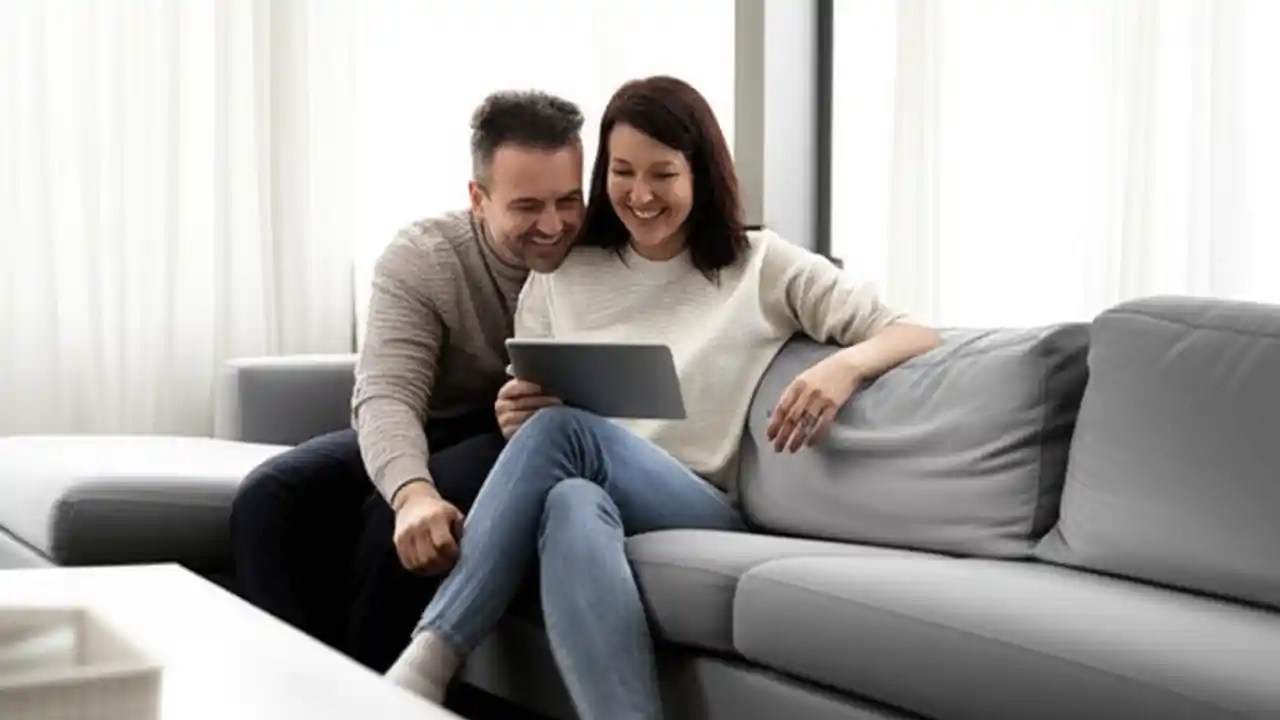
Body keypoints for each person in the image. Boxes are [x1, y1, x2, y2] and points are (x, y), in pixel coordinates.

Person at [384, 75, 942, 718]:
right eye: (622, 172)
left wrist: (843, 369)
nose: (640, 195)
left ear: (698, 172)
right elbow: (536, 420)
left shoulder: (759, 264)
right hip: (589, 484)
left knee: (567, 435)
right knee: (569, 499)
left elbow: (913, 331)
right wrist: (517, 416)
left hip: (696, 499)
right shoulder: (565, 273)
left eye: (663, 174)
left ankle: (432, 656)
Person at [229, 90, 586, 672]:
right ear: (477, 198)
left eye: (568, 200)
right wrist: (410, 493)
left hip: (534, 439)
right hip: (438, 423)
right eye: (527, 206)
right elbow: (386, 393)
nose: (554, 225)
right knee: (270, 498)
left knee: (394, 527)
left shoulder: (604, 253)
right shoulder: (425, 257)